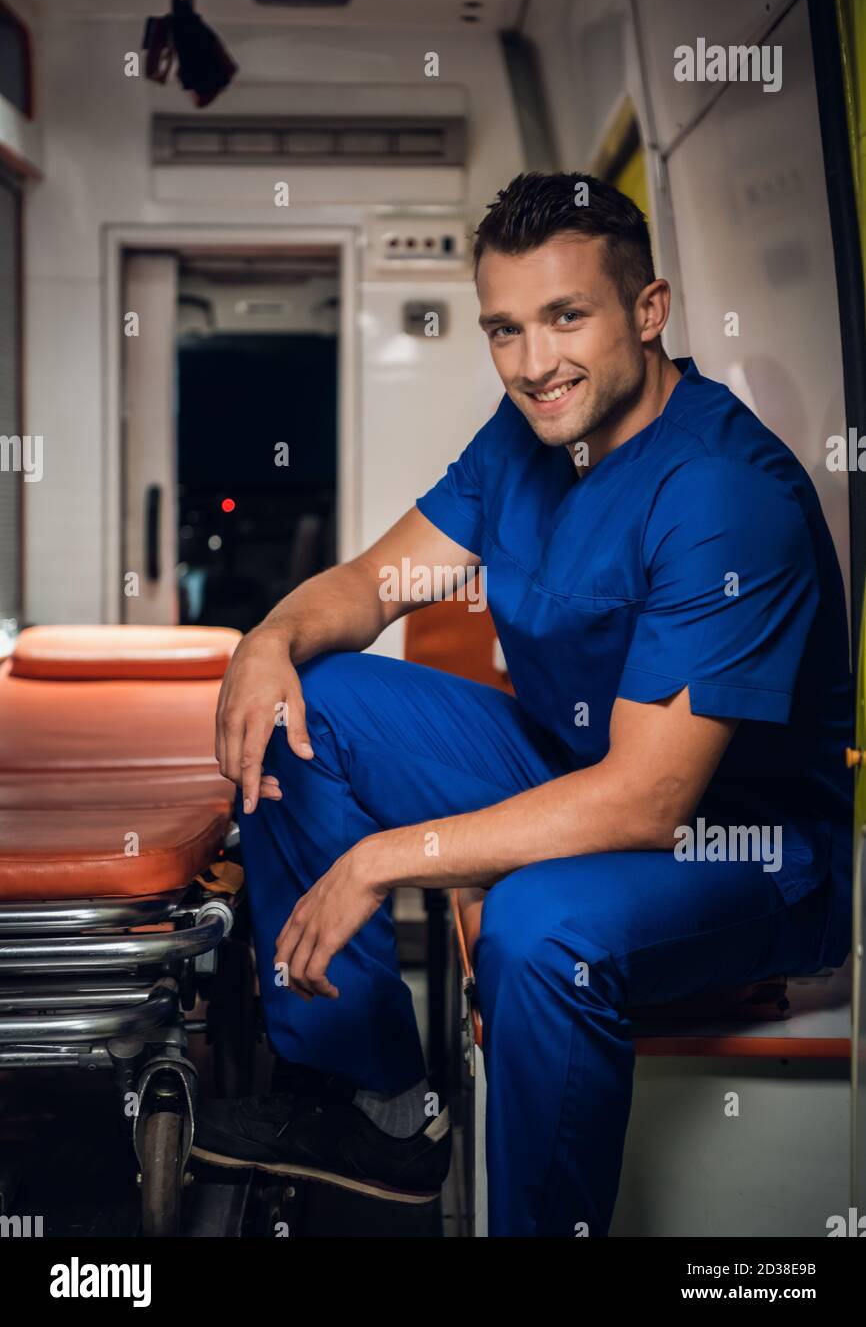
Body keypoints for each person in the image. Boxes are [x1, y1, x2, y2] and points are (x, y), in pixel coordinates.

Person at [192, 172, 853, 1237]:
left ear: (648, 311)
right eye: (504, 329)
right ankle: (379, 1108)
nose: (532, 362)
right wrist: (265, 639)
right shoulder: (525, 437)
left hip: (738, 847)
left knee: (539, 927)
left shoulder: (722, 494)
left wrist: (384, 857)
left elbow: (645, 803)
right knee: (308, 703)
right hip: (561, 770)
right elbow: (369, 588)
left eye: (564, 317)